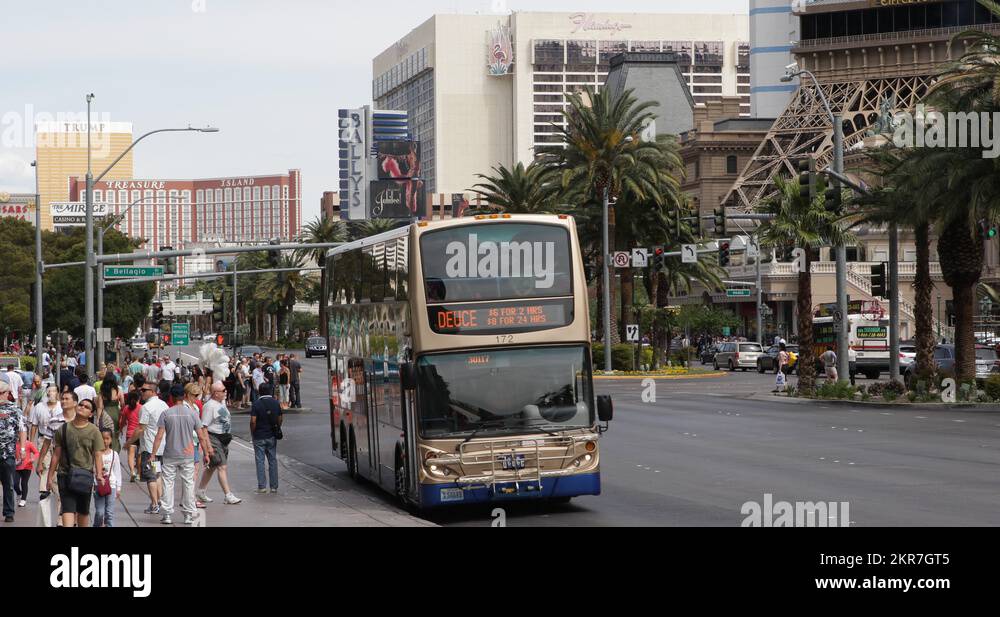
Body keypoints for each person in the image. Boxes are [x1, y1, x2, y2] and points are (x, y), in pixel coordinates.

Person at [150, 383, 213, 525]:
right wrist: (206, 453)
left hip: (170, 454)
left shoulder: (166, 413)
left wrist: (153, 454)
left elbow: (159, 436)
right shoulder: (192, 414)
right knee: (189, 484)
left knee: (168, 483)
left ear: (171, 397)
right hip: (188, 454)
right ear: (184, 396)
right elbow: (201, 435)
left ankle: (167, 514)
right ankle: (189, 515)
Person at [45, 397, 105, 528]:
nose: (82, 407)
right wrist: (49, 477)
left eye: (87, 407)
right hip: (65, 474)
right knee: (67, 508)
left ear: (91, 414)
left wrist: (99, 474)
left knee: (83, 511)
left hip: (85, 475)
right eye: (81, 405)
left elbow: (98, 454)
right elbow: (56, 455)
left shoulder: (94, 431)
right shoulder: (64, 429)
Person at [127, 380, 169, 515]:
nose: (141, 392)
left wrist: (129, 442)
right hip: (161, 446)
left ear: (152, 391)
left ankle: (154, 504)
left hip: (150, 448)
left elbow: (140, 428)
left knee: (151, 476)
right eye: (141, 390)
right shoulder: (164, 405)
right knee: (157, 475)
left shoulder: (146, 407)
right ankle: (159, 501)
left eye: (144, 390)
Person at [197, 382, 242, 505]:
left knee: (212, 466)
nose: (225, 392)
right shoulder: (209, 406)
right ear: (216, 393)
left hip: (223, 439)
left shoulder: (220, 403)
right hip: (213, 438)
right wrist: (209, 446)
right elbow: (204, 427)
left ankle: (201, 491)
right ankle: (228, 495)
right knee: (222, 466)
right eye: (223, 390)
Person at [0, 382, 28, 523]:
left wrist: (22, 449)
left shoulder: (15, 409)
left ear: (7, 394)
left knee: (8, 484)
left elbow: (22, 429)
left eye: (2, 393)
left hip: (8, 452)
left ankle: (9, 512)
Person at [250, 382, 282, 494]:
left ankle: (262, 486)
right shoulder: (275, 402)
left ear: (259, 391)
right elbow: (280, 417)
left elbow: (253, 421)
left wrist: (252, 432)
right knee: (272, 460)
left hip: (259, 435)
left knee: (260, 461)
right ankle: (274, 487)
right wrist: (277, 428)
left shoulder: (256, 404)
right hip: (271, 435)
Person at [92, 429, 122, 527]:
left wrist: (118, 487)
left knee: (109, 513)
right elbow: (92, 469)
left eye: (107, 438)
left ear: (111, 440)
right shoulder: (96, 454)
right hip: (98, 485)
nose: (105, 441)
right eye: (102, 439)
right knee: (100, 512)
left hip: (111, 485)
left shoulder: (114, 454)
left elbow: (117, 471)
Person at [120, 389, 143, 482]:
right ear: (138, 398)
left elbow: (123, 421)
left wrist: (120, 429)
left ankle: (132, 472)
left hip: (130, 434)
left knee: (131, 454)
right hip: (140, 434)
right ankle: (139, 474)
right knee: (139, 455)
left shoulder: (126, 408)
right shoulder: (141, 407)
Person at [97, 374, 123, 451]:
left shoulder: (102, 392)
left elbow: (100, 407)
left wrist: (98, 419)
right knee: (115, 433)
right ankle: (115, 450)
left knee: (106, 433)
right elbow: (122, 404)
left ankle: (106, 450)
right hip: (116, 413)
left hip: (106, 414)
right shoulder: (118, 390)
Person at [15, 437, 38, 508]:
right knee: (14, 483)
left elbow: (36, 452)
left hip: (27, 467)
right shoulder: (14, 443)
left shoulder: (29, 444)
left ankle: (23, 500)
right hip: (17, 466)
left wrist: (33, 458)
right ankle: (19, 493)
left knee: (24, 483)